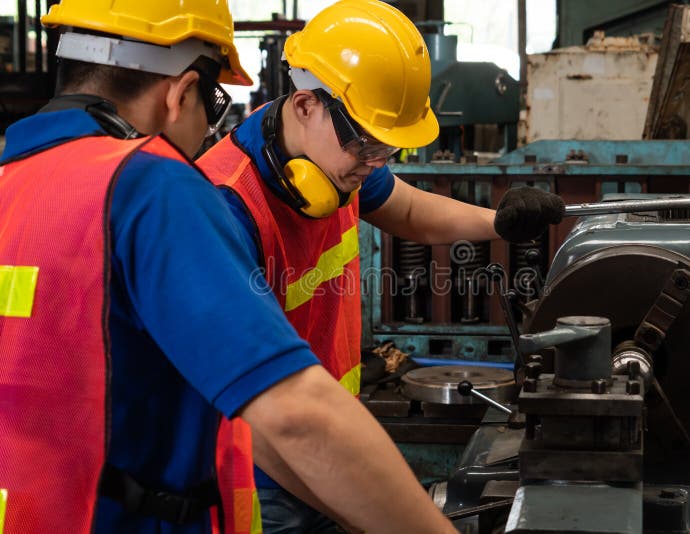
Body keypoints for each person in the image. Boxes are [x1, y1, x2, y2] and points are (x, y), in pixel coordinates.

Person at [0, 1, 459, 533]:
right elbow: (294, 414)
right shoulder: (150, 189)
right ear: (181, 93)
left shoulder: (13, 184)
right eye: (215, 102)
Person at [197, 0, 566, 531]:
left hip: (327, 439)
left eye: (387, 149)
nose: (374, 163)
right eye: (366, 143)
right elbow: (258, 413)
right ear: (306, 104)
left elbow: (409, 210)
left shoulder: (333, 161)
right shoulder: (224, 207)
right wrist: (355, 508)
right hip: (265, 479)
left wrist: (499, 223)